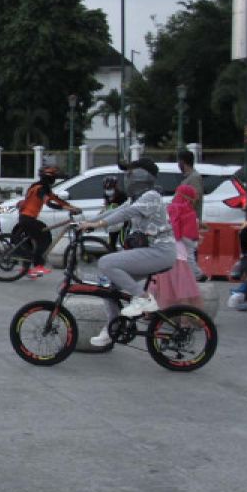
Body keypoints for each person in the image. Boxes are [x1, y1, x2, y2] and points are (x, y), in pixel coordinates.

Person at [79, 159, 176, 348]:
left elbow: (126, 214)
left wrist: (97, 225)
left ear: (142, 175)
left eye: (130, 172)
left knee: (106, 263)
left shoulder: (151, 196)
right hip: (148, 251)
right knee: (109, 286)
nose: (126, 176)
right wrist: (86, 223)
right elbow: (113, 212)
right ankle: (112, 327)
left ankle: (143, 298)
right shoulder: (136, 198)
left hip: (160, 251)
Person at [14, 166, 81, 278]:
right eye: (53, 178)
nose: (54, 180)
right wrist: (66, 209)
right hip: (27, 219)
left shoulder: (41, 187)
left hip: (27, 218)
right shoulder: (40, 188)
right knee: (45, 238)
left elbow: (57, 199)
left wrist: (72, 207)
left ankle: (26, 268)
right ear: (49, 178)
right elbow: (49, 203)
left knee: (32, 241)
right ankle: (37, 266)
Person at [150, 184, 203, 310]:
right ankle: (184, 322)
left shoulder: (165, 209)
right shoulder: (188, 213)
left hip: (162, 256)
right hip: (179, 259)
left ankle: (156, 319)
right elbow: (189, 243)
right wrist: (198, 272)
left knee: (162, 292)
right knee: (183, 293)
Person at [176, 149, 205, 279]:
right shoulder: (188, 178)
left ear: (183, 162)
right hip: (184, 220)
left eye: (179, 161)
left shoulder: (194, 177)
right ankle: (191, 274)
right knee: (186, 249)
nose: (178, 164)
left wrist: (183, 210)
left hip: (189, 220)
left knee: (189, 249)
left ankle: (195, 274)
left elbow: (195, 197)